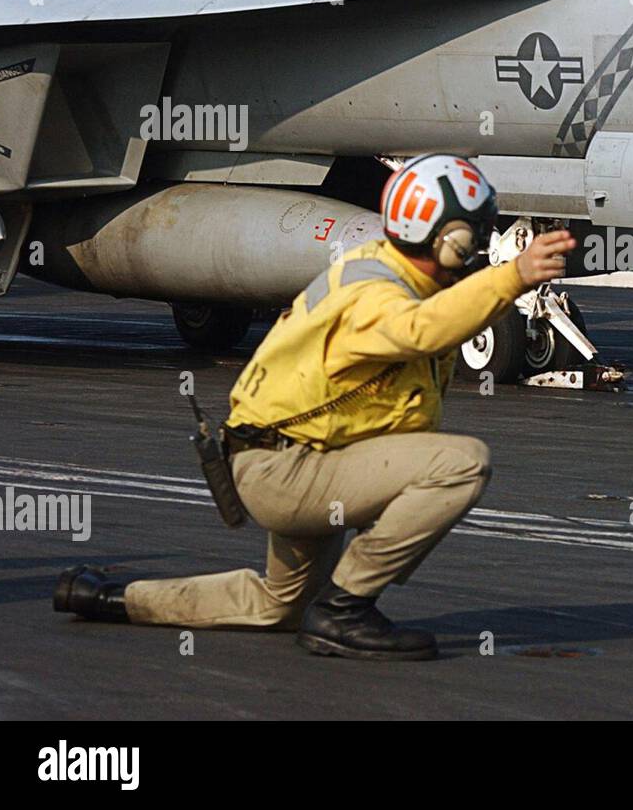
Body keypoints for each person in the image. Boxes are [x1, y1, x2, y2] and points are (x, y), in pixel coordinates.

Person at [53, 155, 577, 661]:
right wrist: (513, 278)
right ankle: (346, 611)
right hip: (288, 469)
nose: (479, 249)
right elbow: (418, 332)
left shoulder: (388, 275)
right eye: (475, 236)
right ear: (449, 240)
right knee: (460, 463)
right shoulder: (377, 289)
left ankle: (113, 598)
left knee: (278, 606)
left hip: (293, 460)